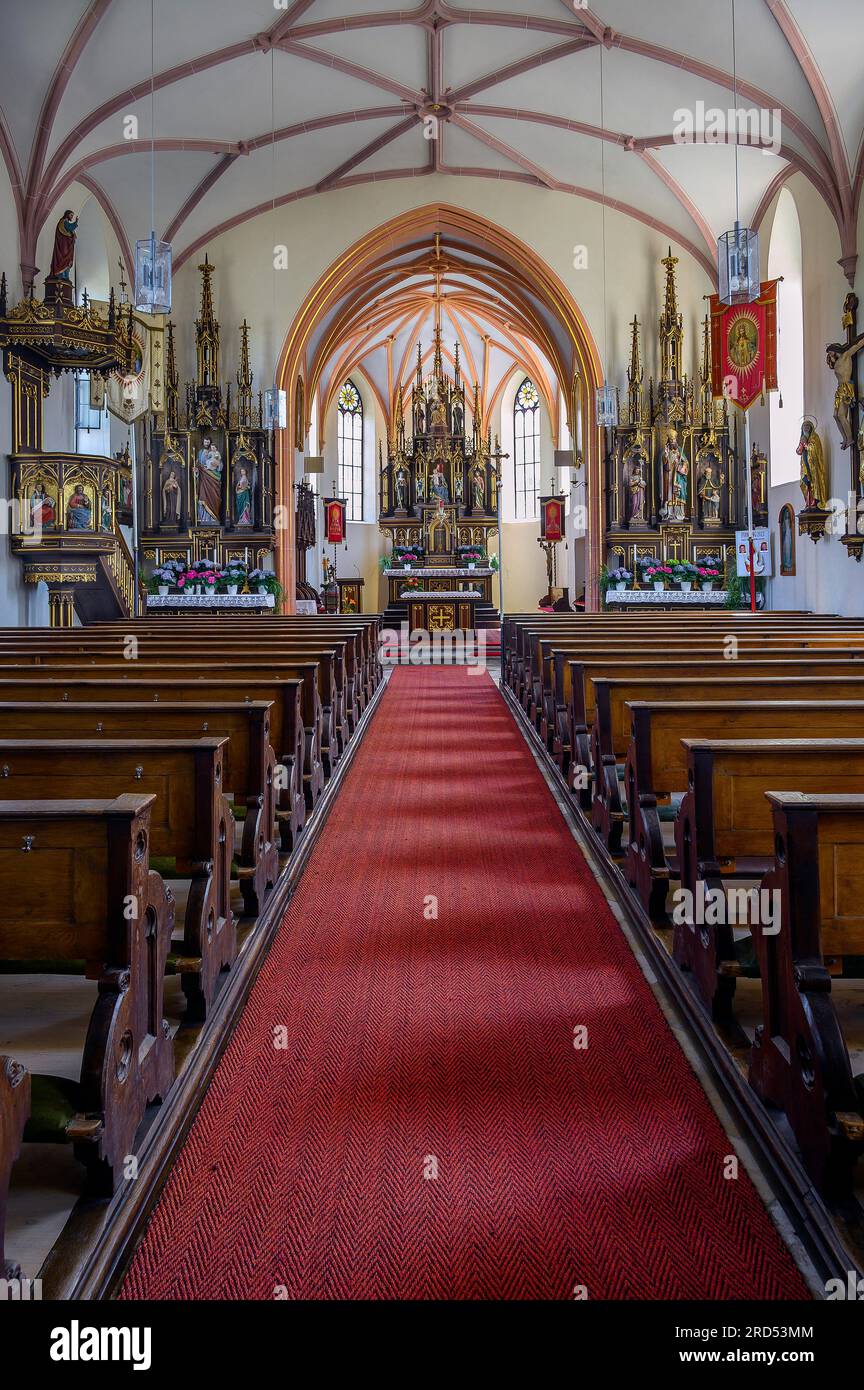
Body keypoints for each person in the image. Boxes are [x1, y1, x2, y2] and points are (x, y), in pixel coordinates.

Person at [49, 210, 78, 281]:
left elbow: (71, 232)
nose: (72, 217)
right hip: (63, 245)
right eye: (71, 215)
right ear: (67, 215)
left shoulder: (66, 222)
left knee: (67, 260)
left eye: (72, 216)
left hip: (66, 245)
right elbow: (70, 228)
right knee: (63, 259)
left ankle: (65, 275)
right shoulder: (63, 221)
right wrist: (76, 222)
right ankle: (61, 274)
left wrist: (73, 235)